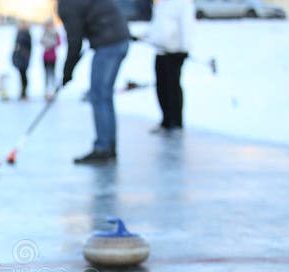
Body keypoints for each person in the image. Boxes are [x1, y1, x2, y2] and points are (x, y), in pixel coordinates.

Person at [59, 0, 130, 164]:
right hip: (118, 38)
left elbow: (75, 40)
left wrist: (67, 72)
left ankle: (103, 148)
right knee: (105, 97)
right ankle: (108, 146)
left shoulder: (67, 4)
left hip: (108, 43)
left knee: (98, 96)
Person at [145, 0, 195, 134]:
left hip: (174, 52)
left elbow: (187, 26)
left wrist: (184, 49)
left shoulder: (182, 3)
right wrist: (148, 36)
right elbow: (158, 26)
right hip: (160, 50)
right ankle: (166, 120)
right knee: (161, 87)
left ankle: (176, 122)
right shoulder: (161, 4)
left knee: (173, 87)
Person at [40, 18, 61, 100]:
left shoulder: (55, 33)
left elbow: (58, 43)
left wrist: (50, 44)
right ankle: (46, 92)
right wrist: (48, 43)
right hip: (45, 57)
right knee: (46, 74)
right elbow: (41, 41)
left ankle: (53, 91)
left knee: (53, 74)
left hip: (52, 57)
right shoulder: (44, 33)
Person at [12, 21, 32, 100]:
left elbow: (29, 46)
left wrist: (25, 54)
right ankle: (22, 91)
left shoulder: (26, 34)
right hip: (19, 57)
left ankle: (24, 92)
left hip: (24, 57)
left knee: (24, 75)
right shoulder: (18, 33)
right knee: (21, 75)